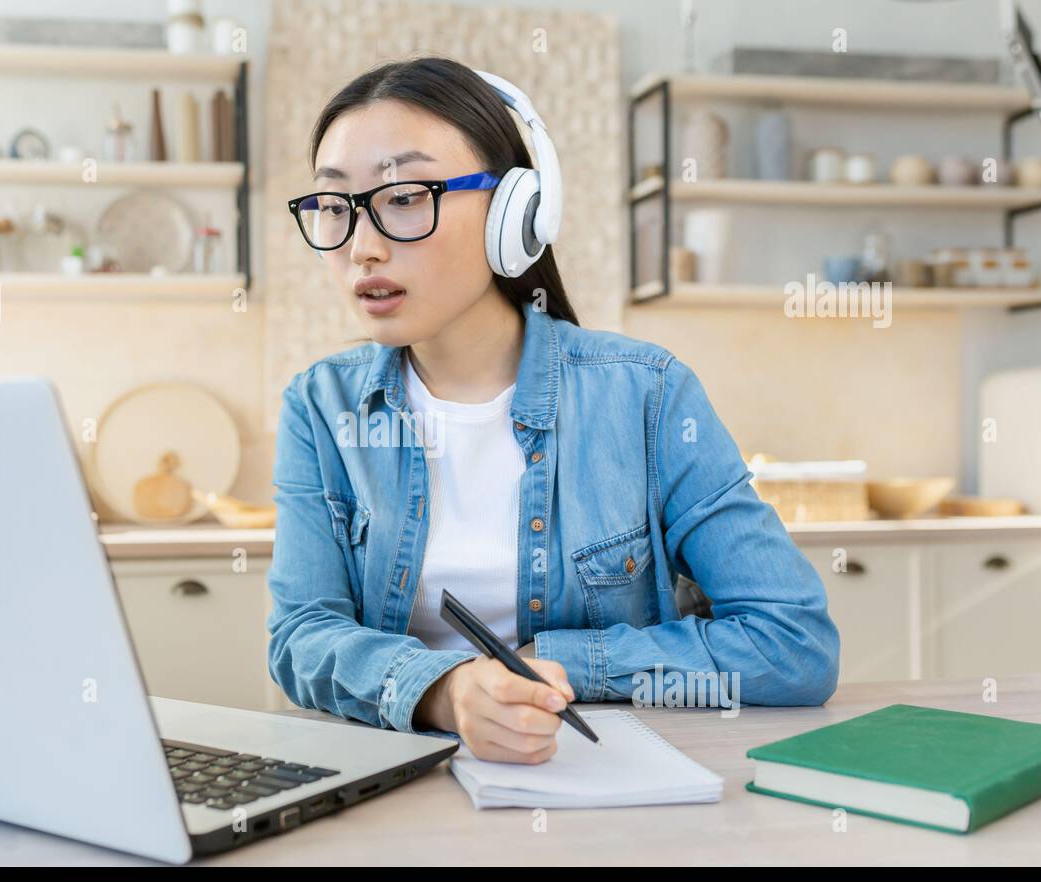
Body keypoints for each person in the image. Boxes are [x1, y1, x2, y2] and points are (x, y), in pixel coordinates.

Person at [267, 56, 839, 765]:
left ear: (517, 212)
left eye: (405, 196)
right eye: (332, 206)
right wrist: (444, 690)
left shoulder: (647, 395)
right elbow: (300, 636)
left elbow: (794, 646)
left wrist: (558, 661)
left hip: (599, 787)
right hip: (399, 785)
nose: (362, 246)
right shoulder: (322, 408)